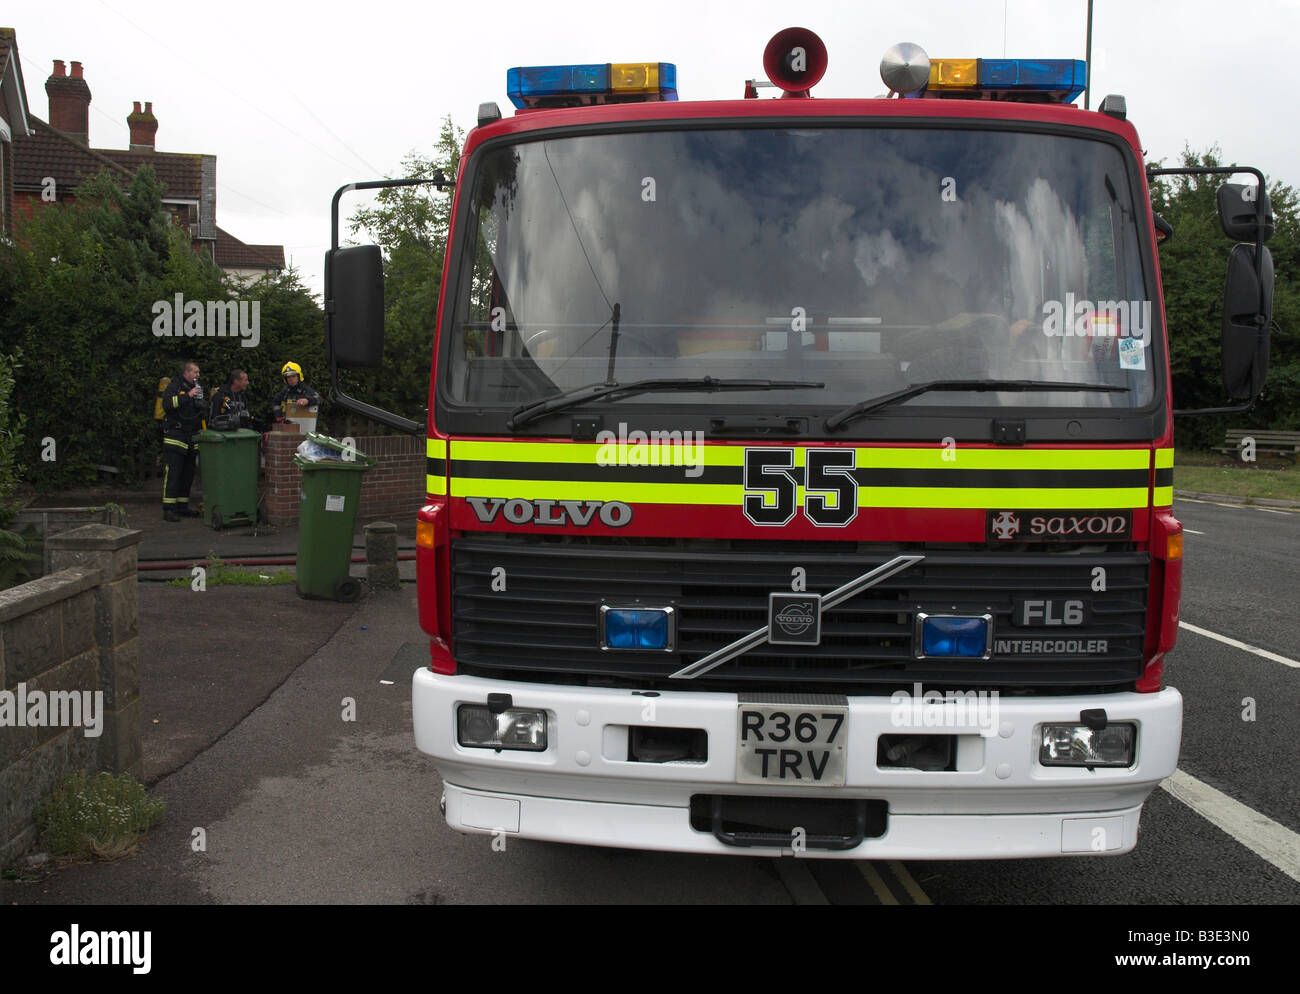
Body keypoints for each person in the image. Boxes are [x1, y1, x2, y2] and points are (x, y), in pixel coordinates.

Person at [160, 361, 205, 521]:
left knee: (187, 474)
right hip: (175, 435)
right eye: (195, 372)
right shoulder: (174, 387)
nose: (197, 375)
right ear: (186, 373)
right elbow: (167, 404)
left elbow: (198, 411)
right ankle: (169, 509)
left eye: (198, 373)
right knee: (173, 473)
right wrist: (188, 396)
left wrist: (200, 402)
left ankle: (182, 507)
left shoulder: (196, 389)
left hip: (191, 435)